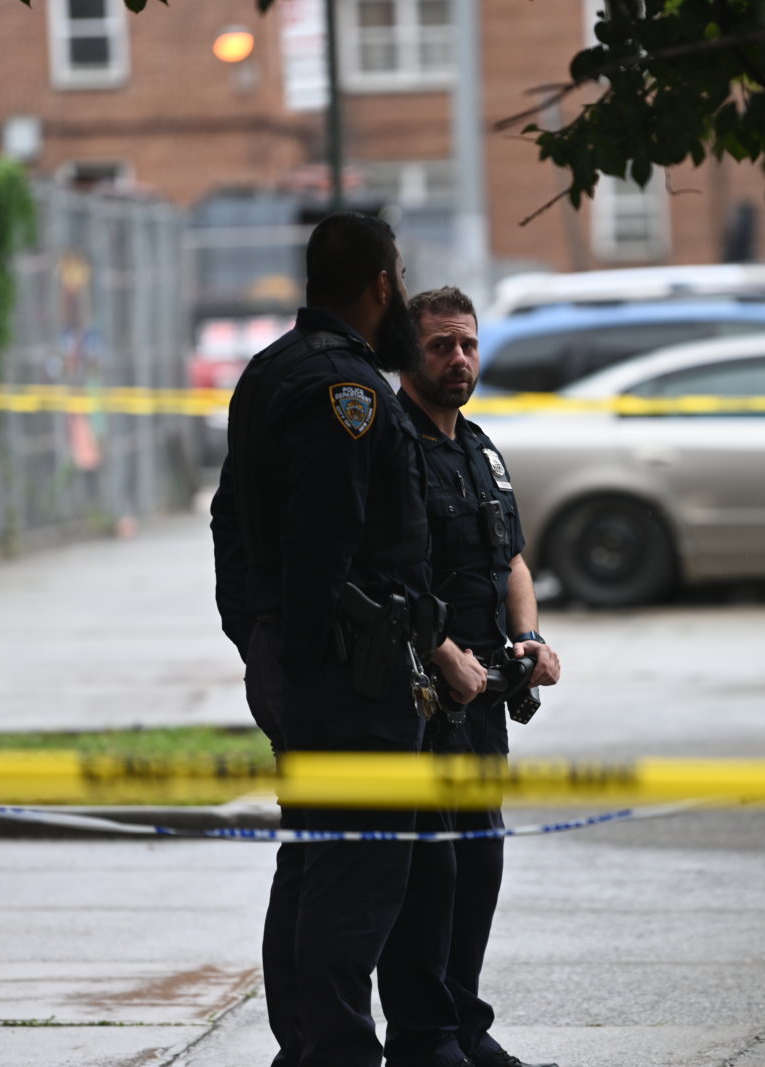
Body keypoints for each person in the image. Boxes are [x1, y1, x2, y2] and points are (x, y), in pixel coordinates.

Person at [209, 213, 482, 1067]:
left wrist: (257, 637)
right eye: (396, 276)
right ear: (380, 285)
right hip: (350, 682)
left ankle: (309, 1050)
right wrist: (320, 652)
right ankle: (334, 1053)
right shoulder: (346, 390)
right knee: (355, 883)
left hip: (307, 668)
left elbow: (230, 523)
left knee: (313, 863)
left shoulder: (269, 372)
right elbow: (326, 546)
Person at [377, 286, 562, 1067]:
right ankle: (423, 1037)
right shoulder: (392, 445)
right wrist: (444, 647)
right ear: (410, 354)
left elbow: (510, 557)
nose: (459, 360)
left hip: (487, 692)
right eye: (441, 346)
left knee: (479, 857)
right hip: (423, 691)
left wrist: (530, 638)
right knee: (432, 865)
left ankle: (463, 1026)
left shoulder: (480, 447)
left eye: (468, 345)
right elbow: (387, 570)